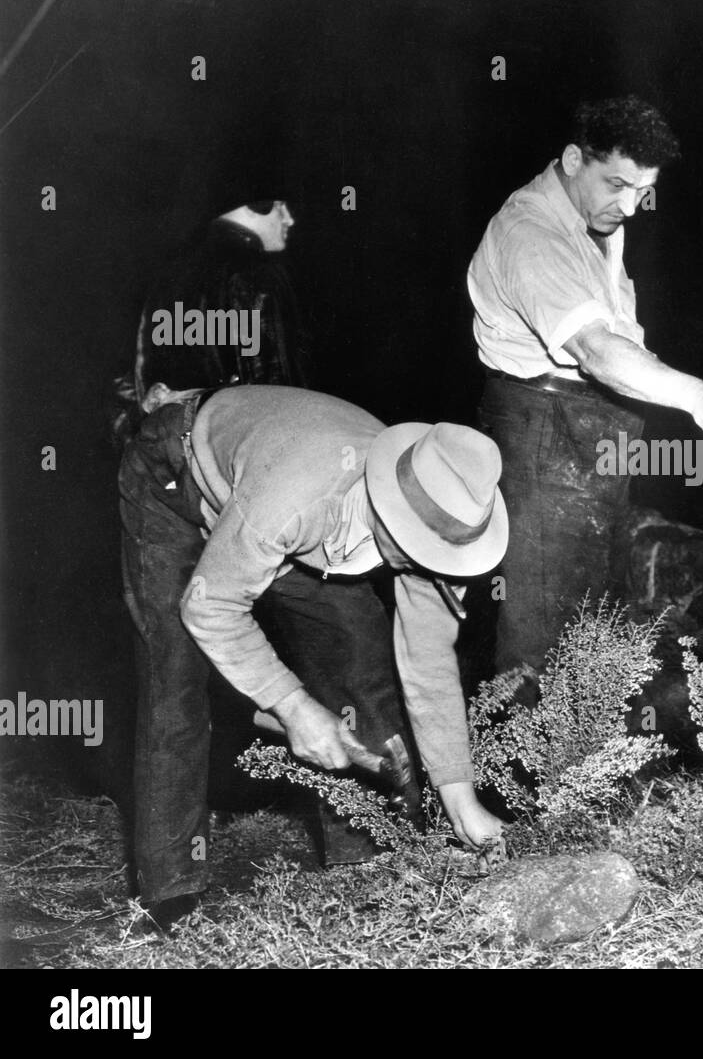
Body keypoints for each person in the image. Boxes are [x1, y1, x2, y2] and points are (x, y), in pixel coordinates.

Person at [119, 384, 508, 930]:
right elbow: (212, 609)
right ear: (386, 510)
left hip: (287, 518)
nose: (430, 565)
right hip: (179, 478)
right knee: (176, 679)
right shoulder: (299, 499)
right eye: (419, 552)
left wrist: (460, 796)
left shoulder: (446, 517)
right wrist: (293, 706)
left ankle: (363, 858)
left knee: (357, 657)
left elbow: (429, 664)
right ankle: (170, 893)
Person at [468, 95, 703, 680]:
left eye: (642, 190)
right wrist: (699, 395)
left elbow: (619, 338)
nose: (630, 205)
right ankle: (533, 768)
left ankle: (579, 764)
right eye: (618, 184)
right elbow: (599, 353)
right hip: (543, 432)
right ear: (573, 159)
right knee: (541, 634)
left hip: (586, 435)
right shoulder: (531, 232)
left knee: (587, 618)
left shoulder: (595, 223)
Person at [111, 184, 306, 445]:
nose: (289, 219)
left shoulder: (167, 274)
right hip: (229, 458)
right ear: (256, 206)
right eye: (280, 207)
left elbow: (135, 381)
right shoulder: (255, 274)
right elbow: (272, 393)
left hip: (167, 456)